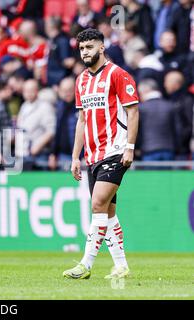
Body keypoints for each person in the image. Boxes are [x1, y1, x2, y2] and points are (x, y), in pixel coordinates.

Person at [63, 29, 139, 280]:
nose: (85, 52)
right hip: (93, 156)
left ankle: (85, 264)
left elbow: (133, 112)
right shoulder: (82, 80)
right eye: (82, 48)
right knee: (107, 213)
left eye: (90, 47)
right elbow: (82, 120)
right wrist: (75, 156)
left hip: (115, 151)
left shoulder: (118, 74)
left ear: (102, 47)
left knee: (97, 204)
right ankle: (121, 266)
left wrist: (129, 147)